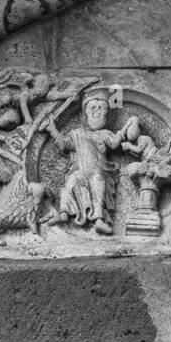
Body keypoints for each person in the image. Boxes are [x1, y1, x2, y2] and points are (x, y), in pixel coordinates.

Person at [49, 87, 124, 235]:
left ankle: (98, 220)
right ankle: (64, 212)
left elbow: (114, 144)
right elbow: (63, 145)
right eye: (93, 108)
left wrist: (122, 132)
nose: (97, 112)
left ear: (106, 114)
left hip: (98, 170)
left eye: (101, 108)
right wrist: (52, 130)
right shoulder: (76, 133)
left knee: (98, 184)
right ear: (86, 113)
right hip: (80, 171)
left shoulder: (105, 133)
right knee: (70, 183)